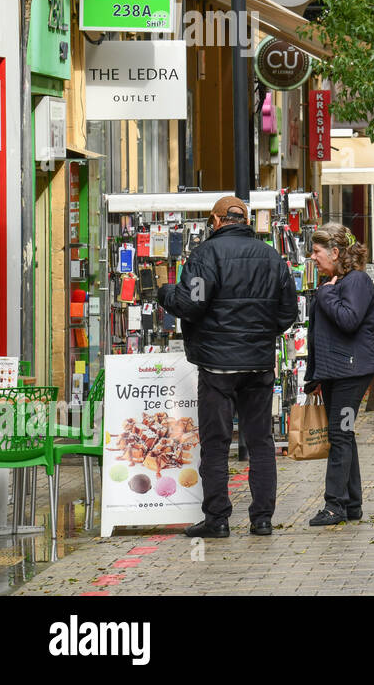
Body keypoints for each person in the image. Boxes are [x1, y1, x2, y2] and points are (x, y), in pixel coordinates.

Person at [157, 196, 298, 539]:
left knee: (216, 442)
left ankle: (217, 518)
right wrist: (260, 334)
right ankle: (262, 518)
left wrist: (165, 292)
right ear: (244, 220)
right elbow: (288, 312)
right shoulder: (272, 257)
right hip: (258, 364)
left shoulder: (206, 255)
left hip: (218, 366)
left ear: (217, 221)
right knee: (261, 441)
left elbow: (192, 303)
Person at [301, 223, 374, 526]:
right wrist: (316, 376)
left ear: (335, 252)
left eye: (317, 251)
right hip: (337, 371)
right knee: (343, 436)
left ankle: (334, 506)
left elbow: (348, 320)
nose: (313, 257)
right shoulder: (338, 282)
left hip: (351, 373)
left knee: (340, 435)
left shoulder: (356, 281)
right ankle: (351, 504)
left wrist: (326, 295)